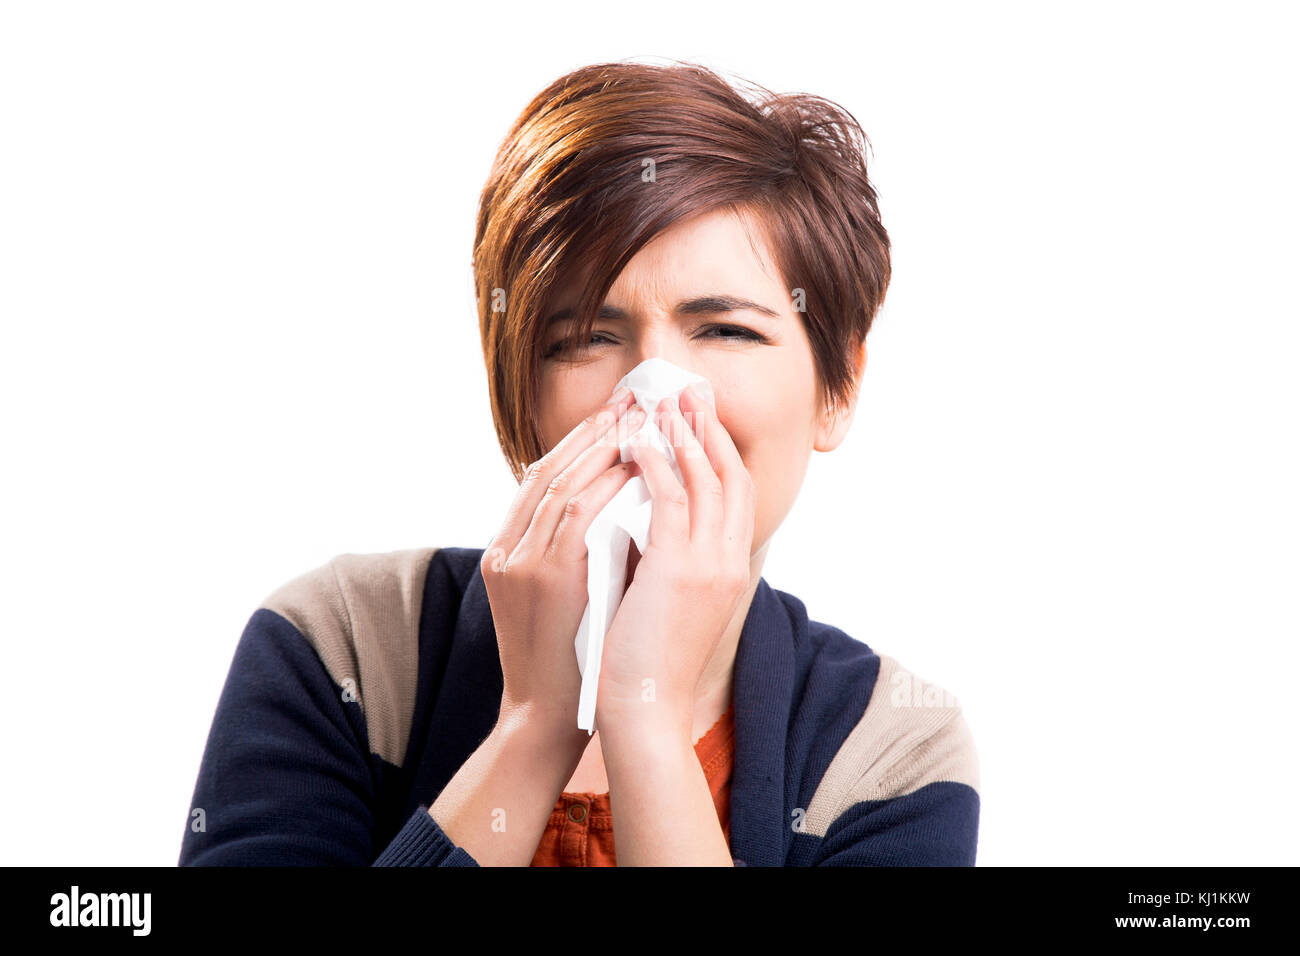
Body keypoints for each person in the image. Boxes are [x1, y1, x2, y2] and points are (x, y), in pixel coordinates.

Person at [179, 59, 979, 867]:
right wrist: (536, 722)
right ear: (518, 391)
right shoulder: (344, 646)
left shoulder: (889, 749)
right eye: (587, 338)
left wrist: (647, 717)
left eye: (726, 330)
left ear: (836, 389)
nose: (654, 397)